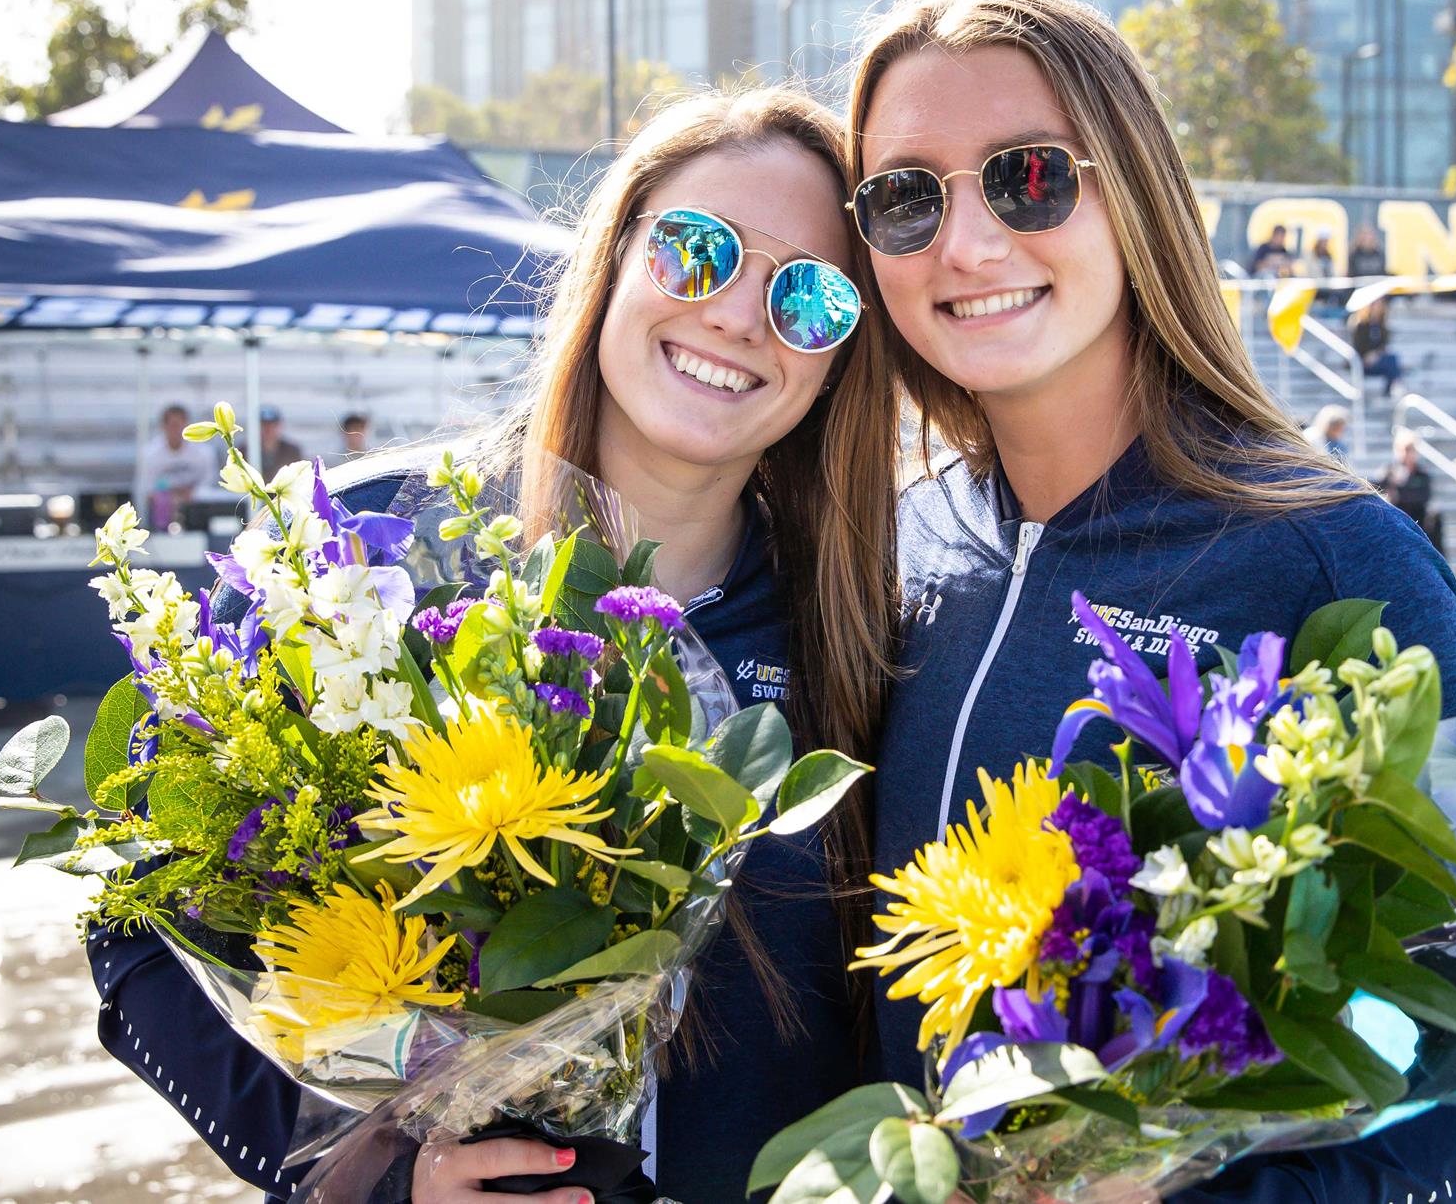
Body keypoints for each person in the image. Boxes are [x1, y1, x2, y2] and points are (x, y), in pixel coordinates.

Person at [844, 0, 1456, 1202]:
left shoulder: (1330, 558)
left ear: (1133, 192)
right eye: (903, 198)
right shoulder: (894, 550)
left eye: (1029, 174)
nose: (965, 243)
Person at [85, 88, 900, 1203]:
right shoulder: (353, 559)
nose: (739, 316)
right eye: (698, 250)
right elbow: (136, 928)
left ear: (841, 353)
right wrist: (368, 1182)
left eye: (808, 295)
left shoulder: (857, 633)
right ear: (612, 260)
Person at [137, 402, 217, 529]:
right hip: (163, 506)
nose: (176, 431)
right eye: (172, 425)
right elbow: (147, 487)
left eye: (180, 425)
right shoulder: (150, 454)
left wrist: (190, 494)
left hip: (195, 506)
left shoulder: (204, 452)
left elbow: (209, 482)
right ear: (163, 426)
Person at [1382, 428, 1443, 553]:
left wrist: (1401, 489)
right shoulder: (1389, 472)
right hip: (1396, 520)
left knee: (1435, 519)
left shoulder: (1422, 474)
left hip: (1418, 519)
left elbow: (1424, 496)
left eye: (1410, 450)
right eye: (1404, 450)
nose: (1407, 454)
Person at [1347, 300, 1403, 397]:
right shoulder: (1361, 326)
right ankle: (1393, 386)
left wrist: (1375, 354)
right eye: (1375, 305)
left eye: (1380, 305)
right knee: (1392, 362)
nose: (1378, 308)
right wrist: (1367, 356)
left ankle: (1390, 388)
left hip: (1376, 360)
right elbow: (1357, 347)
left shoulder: (1382, 327)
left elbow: (1383, 346)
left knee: (1392, 361)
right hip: (1362, 361)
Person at [256, 406, 305, 476]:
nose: (268, 430)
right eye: (264, 425)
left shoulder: (292, 451)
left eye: (272, 425)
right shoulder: (245, 450)